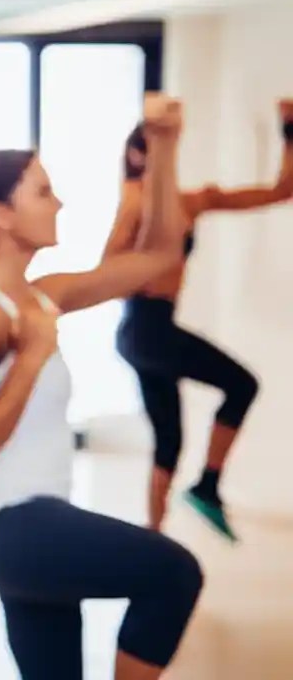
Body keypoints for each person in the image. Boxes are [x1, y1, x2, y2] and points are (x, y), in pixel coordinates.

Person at [0, 94, 203, 680]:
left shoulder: (42, 294)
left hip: (38, 522)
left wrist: (163, 147)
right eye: (42, 191)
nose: (58, 202)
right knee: (174, 573)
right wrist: (31, 356)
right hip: (8, 528)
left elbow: (159, 254)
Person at [105, 99, 293, 540]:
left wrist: (288, 130)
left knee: (170, 437)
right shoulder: (133, 204)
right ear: (136, 156)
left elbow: (282, 190)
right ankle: (207, 486)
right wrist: (144, 269)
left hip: (147, 332)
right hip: (145, 327)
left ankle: (154, 535)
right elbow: (107, 268)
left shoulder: (191, 202)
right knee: (242, 385)